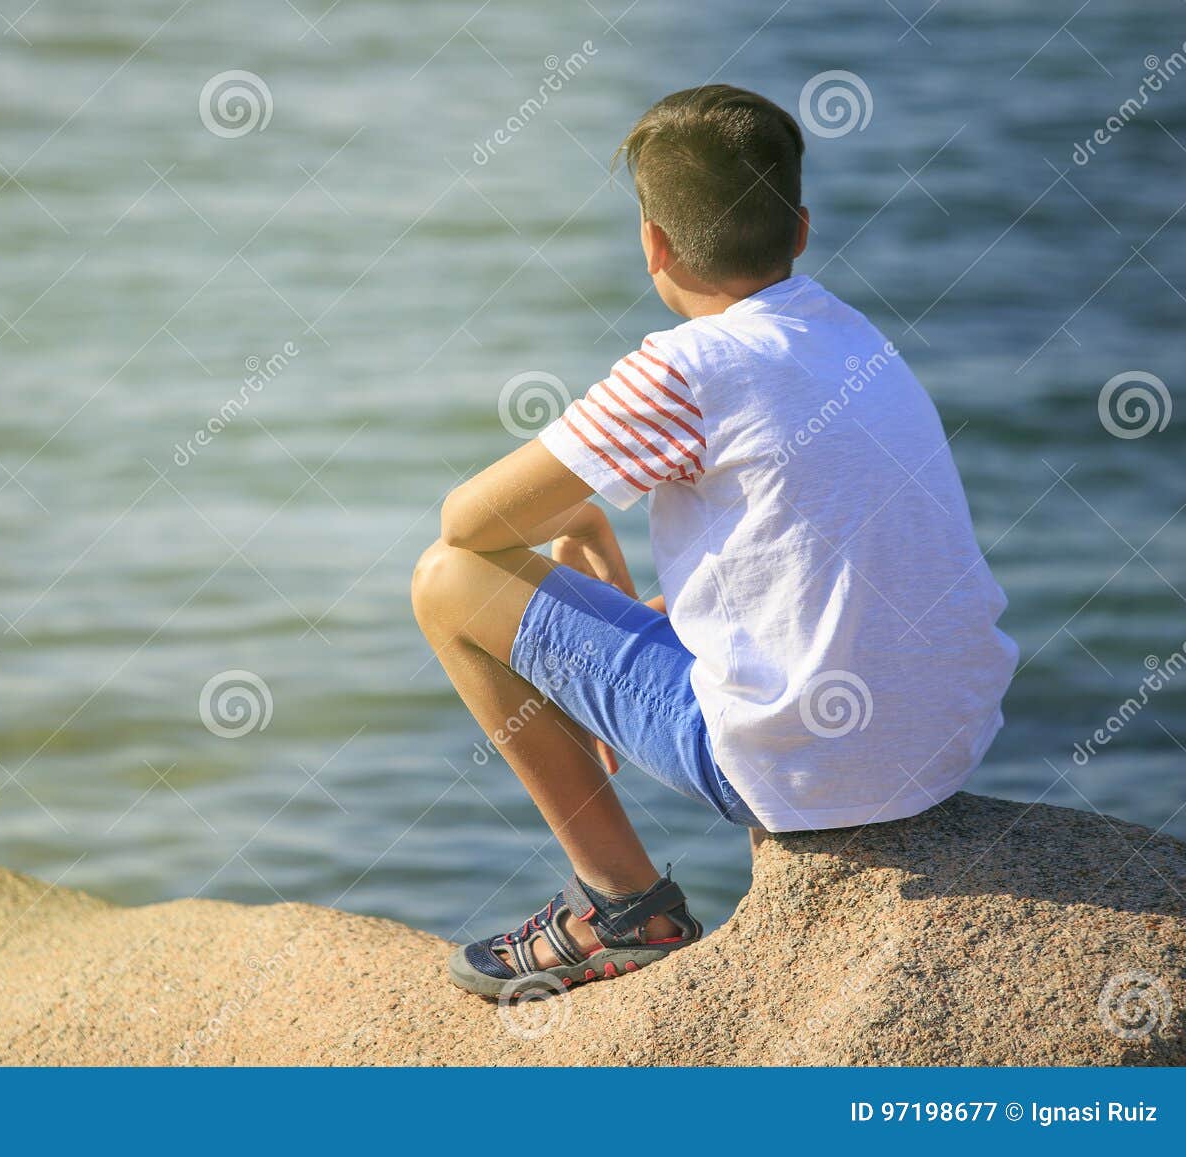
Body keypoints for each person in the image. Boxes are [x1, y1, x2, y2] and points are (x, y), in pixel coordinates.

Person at [411, 84, 1017, 998]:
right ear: (801, 230)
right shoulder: (856, 339)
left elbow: (465, 525)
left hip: (804, 765)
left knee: (445, 582)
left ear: (654, 243)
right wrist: (581, 519)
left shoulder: (683, 366)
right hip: (948, 738)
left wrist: (576, 516)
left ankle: (624, 907)